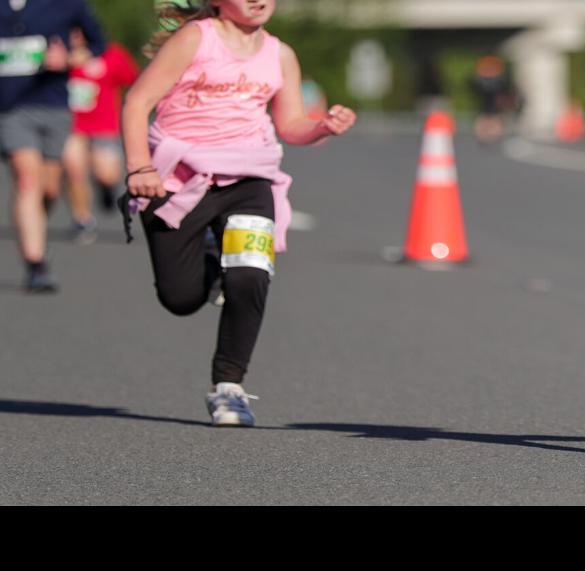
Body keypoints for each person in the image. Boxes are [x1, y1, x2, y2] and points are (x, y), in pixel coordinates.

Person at [122, 0, 356, 426]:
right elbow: (137, 102)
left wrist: (322, 126)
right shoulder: (194, 39)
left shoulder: (280, 54)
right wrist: (140, 168)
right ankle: (213, 258)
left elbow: (291, 125)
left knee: (250, 274)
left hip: (249, 177)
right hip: (178, 180)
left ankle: (229, 387)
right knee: (180, 298)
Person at [1, 0, 107, 292]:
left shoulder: (65, 4)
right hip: (9, 109)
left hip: (54, 106)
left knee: (47, 189)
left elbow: (98, 44)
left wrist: (70, 58)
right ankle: (36, 265)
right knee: (27, 179)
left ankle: (36, 227)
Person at [63, 25, 137, 243]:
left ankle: (106, 188)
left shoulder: (111, 54)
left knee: (107, 174)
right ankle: (82, 219)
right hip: (71, 125)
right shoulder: (59, 54)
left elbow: (132, 79)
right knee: (74, 170)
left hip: (104, 126)